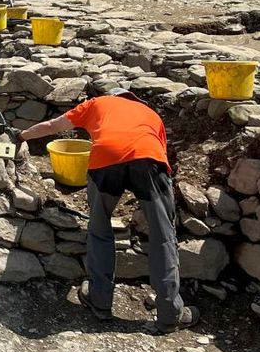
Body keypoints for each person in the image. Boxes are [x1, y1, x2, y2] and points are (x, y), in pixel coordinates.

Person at [17, 90, 197, 333]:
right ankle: (169, 314)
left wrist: (22, 135)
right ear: (136, 100)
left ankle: (100, 301)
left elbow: (52, 125)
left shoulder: (97, 104)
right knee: (163, 235)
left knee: (100, 230)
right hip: (148, 158)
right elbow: (157, 154)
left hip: (105, 158)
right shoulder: (150, 113)